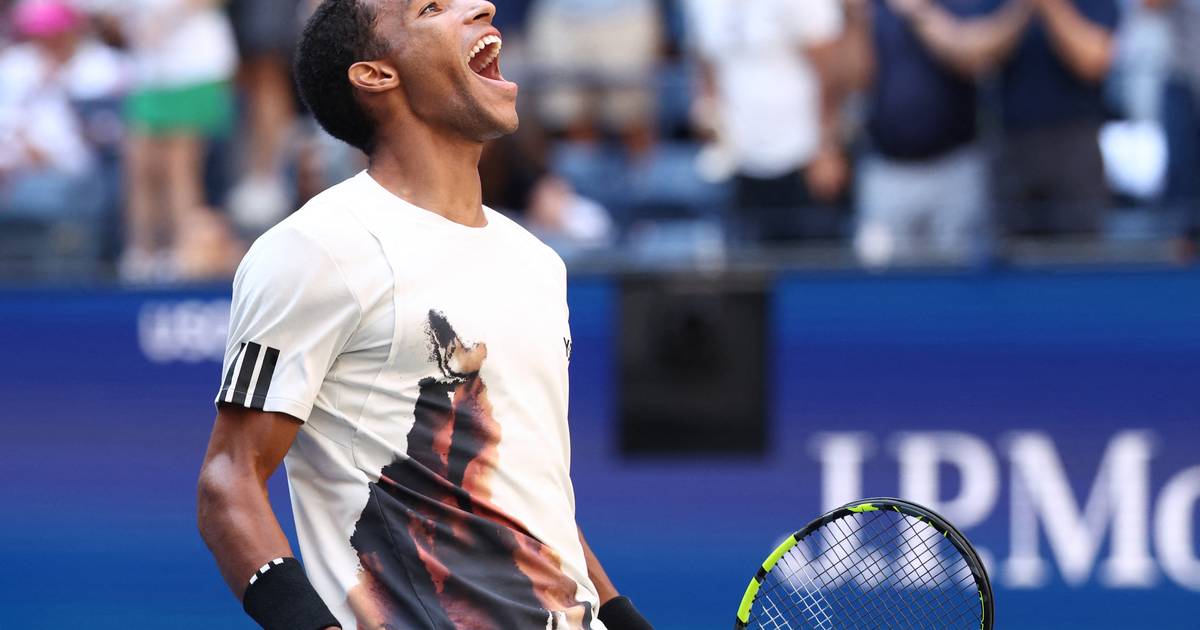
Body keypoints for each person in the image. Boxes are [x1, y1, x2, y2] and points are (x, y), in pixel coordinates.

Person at [196, 2, 652, 630]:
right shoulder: (316, 248)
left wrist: (620, 617)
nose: (483, 6)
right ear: (377, 75)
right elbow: (229, 480)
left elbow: (530, 493)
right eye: (432, 6)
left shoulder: (539, 263)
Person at [848, 0, 1032, 266]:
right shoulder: (870, 8)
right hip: (886, 167)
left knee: (958, 274)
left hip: (956, 164)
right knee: (882, 277)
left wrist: (921, 13)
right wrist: (856, 21)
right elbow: (855, 81)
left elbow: (974, 61)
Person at [685, 0, 849, 244]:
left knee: (811, 258)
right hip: (739, 162)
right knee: (747, 262)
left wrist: (826, 147)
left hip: (802, 158)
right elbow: (706, 64)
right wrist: (709, 120)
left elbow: (831, 70)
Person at [110, 0, 238, 281]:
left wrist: (168, 18)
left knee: (179, 165)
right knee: (140, 166)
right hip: (147, 69)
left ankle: (185, 254)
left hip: (194, 66)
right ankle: (141, 253)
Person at [995, 0, 1120, 237]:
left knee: (1079, 250)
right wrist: (1019, 12)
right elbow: (976, 54)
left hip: (1075, 142)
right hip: (1012, 142)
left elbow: (1094, 59)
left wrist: (1050, 6)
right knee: (1012, 249)